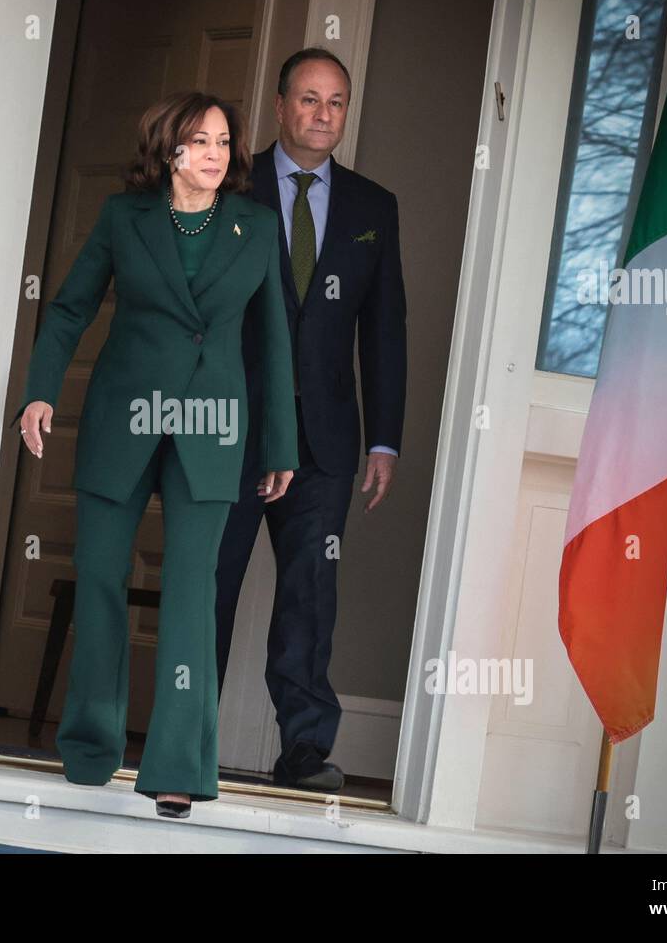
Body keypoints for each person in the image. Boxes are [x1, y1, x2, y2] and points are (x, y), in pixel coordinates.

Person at [11, 91, 299, 818]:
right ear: (167, 148)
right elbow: (72, 306)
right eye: (199, 140)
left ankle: (178, 766)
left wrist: (279, 444)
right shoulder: (122, 217)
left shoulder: (259, 227)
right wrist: (40, 392)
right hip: (122, 416)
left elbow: (275, 340)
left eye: (225, 142)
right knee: (100, 573)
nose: (214, 153)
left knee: (192, 591)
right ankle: (89, 746)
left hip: (211, 424)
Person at [214, 48, 408, 793]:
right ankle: (186, 727)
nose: (322, 115)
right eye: (308, 99)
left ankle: (303, 748)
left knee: (311, 592)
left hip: (325, 442)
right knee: (210, 583)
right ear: (279, 104)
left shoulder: (372, 206)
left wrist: (385, 438)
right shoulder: (231, 185)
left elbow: (385, 328)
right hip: (226, 432)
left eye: (336, 102)